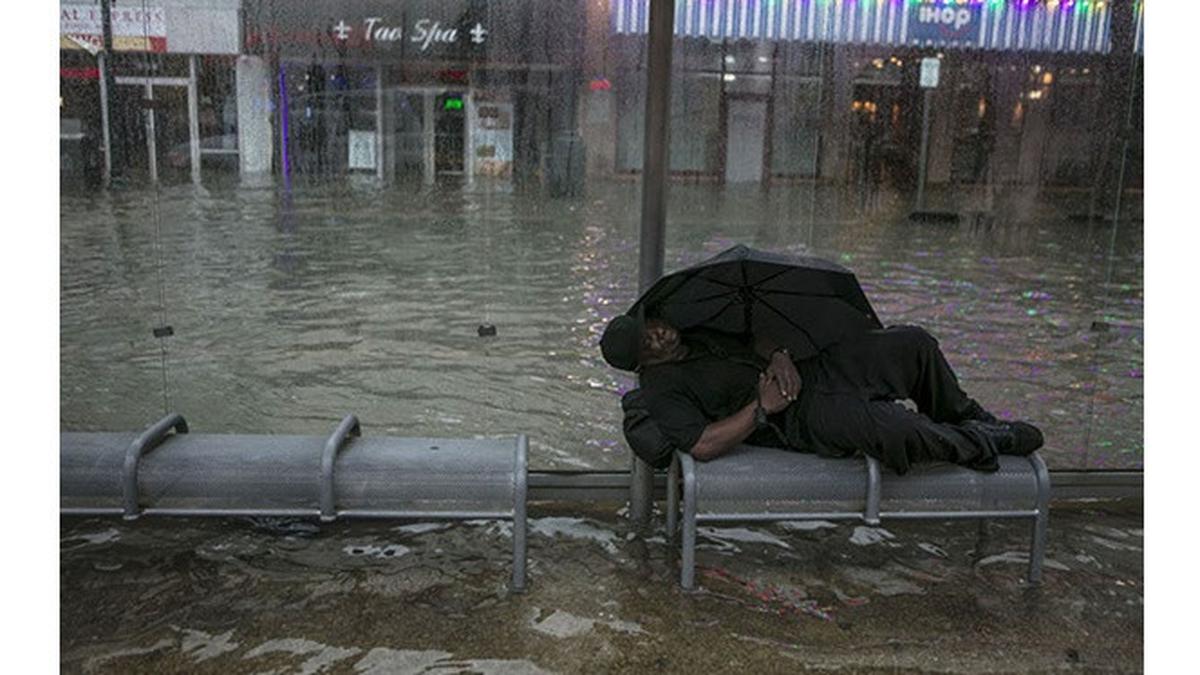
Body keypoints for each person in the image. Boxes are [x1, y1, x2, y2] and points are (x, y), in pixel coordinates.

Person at [599, 315, 1043, 475]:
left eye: (651, 326)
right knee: (893, 428)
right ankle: (985, 441)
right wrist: (761, 408)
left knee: (912, 343)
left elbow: (756, 337)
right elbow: (702, 443)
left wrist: (779, 354)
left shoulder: (697, 329)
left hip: (811, 370)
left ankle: (965, 415)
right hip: (797, 418)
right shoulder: (661, 390)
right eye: (648, 343)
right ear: (643, 363)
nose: (658, 334)